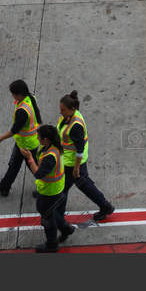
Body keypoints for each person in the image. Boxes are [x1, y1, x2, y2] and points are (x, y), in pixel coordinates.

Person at [57, 90, 114, 222]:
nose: (60, 112)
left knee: (66, 187)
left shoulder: (75, 125)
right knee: (81, 185)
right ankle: (105, 206)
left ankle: (59, 217)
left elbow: (80, 149)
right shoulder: (69, 116)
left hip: (73, 163)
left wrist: (76, 168)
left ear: (72, 109)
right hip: (68, 160)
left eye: (63, 109)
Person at [22, 123, 72, 252]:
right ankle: (66, 228)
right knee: (52, 213)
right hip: (58, 189)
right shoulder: (55, 147)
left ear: (46, 139)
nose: (37, 138)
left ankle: (52, 245)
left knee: (47, 217)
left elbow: (38, 174)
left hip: (49, 193)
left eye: (39, 137)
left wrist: (29, 159)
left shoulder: (50, 157)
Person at [0, 78, 42, 195]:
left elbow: (14, 130)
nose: (12, 96)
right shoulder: (30, 98)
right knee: (14, 165)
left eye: (12, 94)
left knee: (35, 169)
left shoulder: (22, 111)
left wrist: (0, 138)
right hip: (25, 142)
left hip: (27, 145)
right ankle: (4, 187)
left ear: (18, 94)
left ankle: (46, 187)